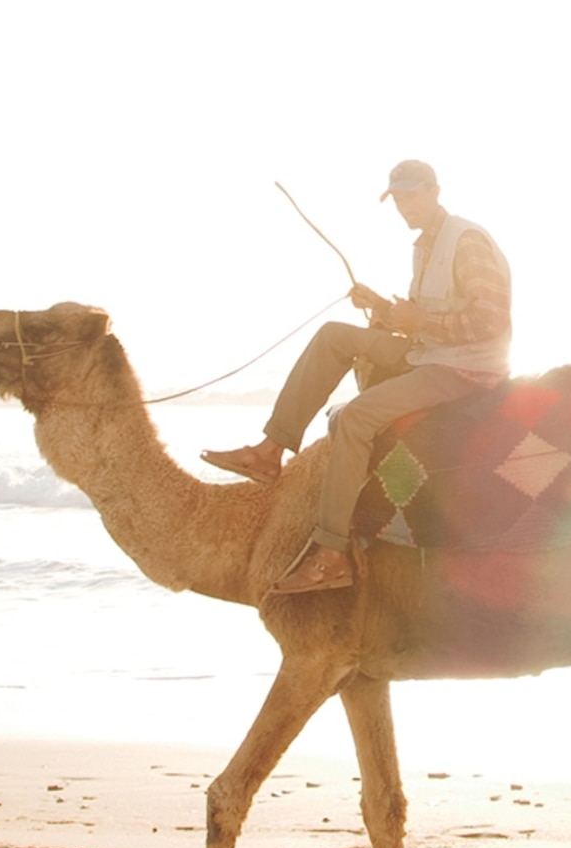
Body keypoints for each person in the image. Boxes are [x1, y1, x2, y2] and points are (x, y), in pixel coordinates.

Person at [202, 160, 511, 594]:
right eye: (398, 198)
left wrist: (418, 318)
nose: (404, 206)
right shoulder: (424, 246)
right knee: (333, 337)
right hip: (430, 352)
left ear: (435, 190)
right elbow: (421, 318)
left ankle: (330, 554)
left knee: (354, 418)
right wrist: (383, 308)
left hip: (465, 368)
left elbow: (491, 319)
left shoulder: (467, 241)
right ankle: (271, 451)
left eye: (411, 195)